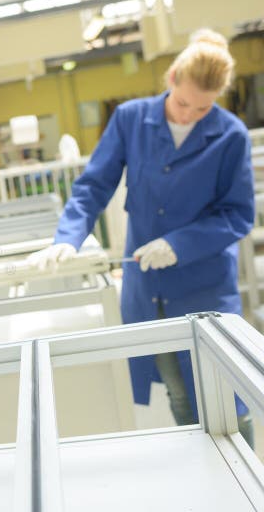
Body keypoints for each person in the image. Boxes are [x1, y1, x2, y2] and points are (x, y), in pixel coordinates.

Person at [29, 29, 255, 441]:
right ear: (170, 78)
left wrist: (179, 244)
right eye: (184, 102)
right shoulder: (131, 119)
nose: (188, 115)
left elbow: (237, 215)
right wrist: (68, 236)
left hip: (205, 289)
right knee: (181, 398)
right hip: (148, 291)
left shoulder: (231, 135)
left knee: (229, 402)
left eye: (203, 109)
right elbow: (93, 186)